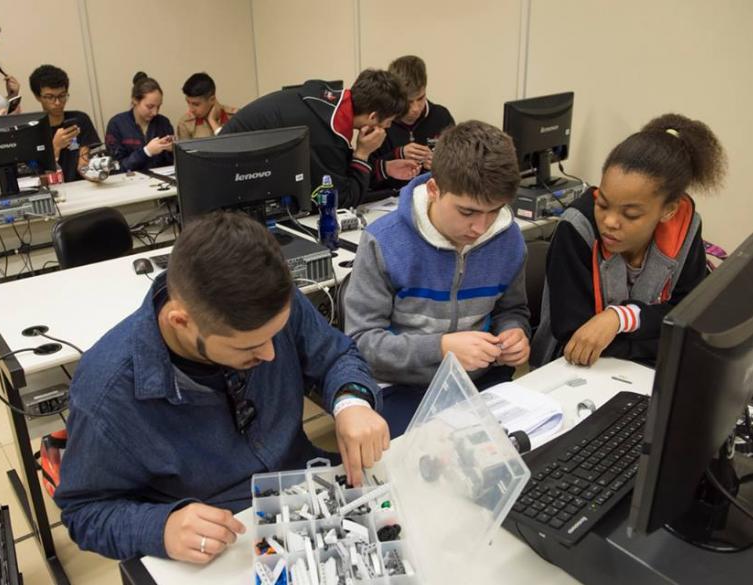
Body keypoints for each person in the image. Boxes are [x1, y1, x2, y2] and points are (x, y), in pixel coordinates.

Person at [55, 211, 389, 563]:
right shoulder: (107, 392)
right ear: (180, 322)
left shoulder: (269, 301)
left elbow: (336, 356)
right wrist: (160, 528)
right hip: (217, 536)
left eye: (276, 334)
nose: (271, 353)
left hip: (304, 487)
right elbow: (84, 512)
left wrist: (352, 402)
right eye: (248, 347)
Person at [343, 121, 531, 436]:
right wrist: (441, 348)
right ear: (434, 190)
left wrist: (514, 332)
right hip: (404, 388)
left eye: (494, 211)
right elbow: (362, 344)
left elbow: (512, 310)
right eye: (467, 212)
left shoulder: (509, 239)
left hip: (481, 381)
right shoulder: (384, 242)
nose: (480, 227)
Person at [530, 113, 725, 368]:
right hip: (572, 367)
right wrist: (658, 339)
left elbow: (689, 316)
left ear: (669, 211)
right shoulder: (576, 228)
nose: (610, 221)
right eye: (603, 203)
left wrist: (621, 318)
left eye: (630, 214)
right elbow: (575, 337)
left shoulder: (685, 228)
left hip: (645, 367)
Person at [220, 69, 419, 208]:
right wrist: (363, 153)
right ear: (373, 117)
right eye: (389, 121)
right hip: (228, 184)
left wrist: (384, 168)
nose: (388, 127)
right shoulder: (323, 133)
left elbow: (337, 167)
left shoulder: (327, 102)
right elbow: (340, 200)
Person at [371, 55, 455, 190]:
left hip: (431, 198)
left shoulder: (441, 116)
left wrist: (439, 165)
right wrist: (397, 154)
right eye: (408, 101)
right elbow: (364, 176)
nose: (415, 109)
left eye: (421, 98)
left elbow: (459, 168)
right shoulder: (378, 121)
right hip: (385, 201)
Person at [28, 65, 100, 182]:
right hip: (52, 189)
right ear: (38, 97)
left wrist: (96, 175)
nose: (57, 103)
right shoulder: (32, 130)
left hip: (80, 186)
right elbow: (37, 178)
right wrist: (55, 147)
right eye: (50, 97)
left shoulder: (80, 120)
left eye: (62, 96)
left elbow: (83, 165)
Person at [105, 72, 174, 172]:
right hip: (129, 183)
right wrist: (146, 152)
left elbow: (172, 165)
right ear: (135, 101)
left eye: (158, 107)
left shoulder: (163, 122)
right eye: (150, 107)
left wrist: (173, 150)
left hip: (161, 182)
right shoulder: (117, 124)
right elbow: (116, 168)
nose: (155, 112)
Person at [176, 72, 237, 139]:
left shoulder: (235, 117)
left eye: (196, 104)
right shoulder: (185, 123)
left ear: (212, 99)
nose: (191, 109)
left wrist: (212, 120)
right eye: (188, 102)